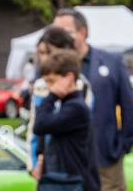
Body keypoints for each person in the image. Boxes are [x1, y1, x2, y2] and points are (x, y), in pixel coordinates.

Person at [53, 8, 133, 191]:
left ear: (82, 33)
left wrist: (123, 144)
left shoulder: (110, 62)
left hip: (105, 156)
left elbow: (127, 105)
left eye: (66, 31)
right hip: (70, 160)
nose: (61, 38)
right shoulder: (54, 65)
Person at [32, 49, 99, 191]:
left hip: (72, 188)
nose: (48, 88)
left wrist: (51, 96)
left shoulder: (75, 108)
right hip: (75, 186)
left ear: (69, 78)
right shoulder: (68, 107)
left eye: (51, 81)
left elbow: (40, 124)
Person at [27, 25, 88, 175]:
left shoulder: (80, 86)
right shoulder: (41, 85)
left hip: (70, 163)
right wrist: (34, 161)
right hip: (45, 162)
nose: (44, 58)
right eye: (40, 53)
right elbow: (35, 126)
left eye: (48, 52)